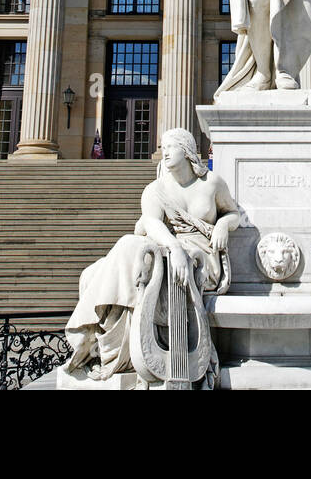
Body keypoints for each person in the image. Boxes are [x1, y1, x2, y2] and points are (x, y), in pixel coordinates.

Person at [64, 128, 241, 381]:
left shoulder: (211, 183)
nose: (164, 152)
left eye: (170, 146)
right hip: (171, 249)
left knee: (130, 251)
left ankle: (94, 336)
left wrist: (223, 224)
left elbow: (232, 213)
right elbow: (152, 224)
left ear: (187, 149)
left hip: (202, 256)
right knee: (105, 264)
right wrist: (175, 248)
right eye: (163, 146)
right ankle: (103, 341)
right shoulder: (155, 189)